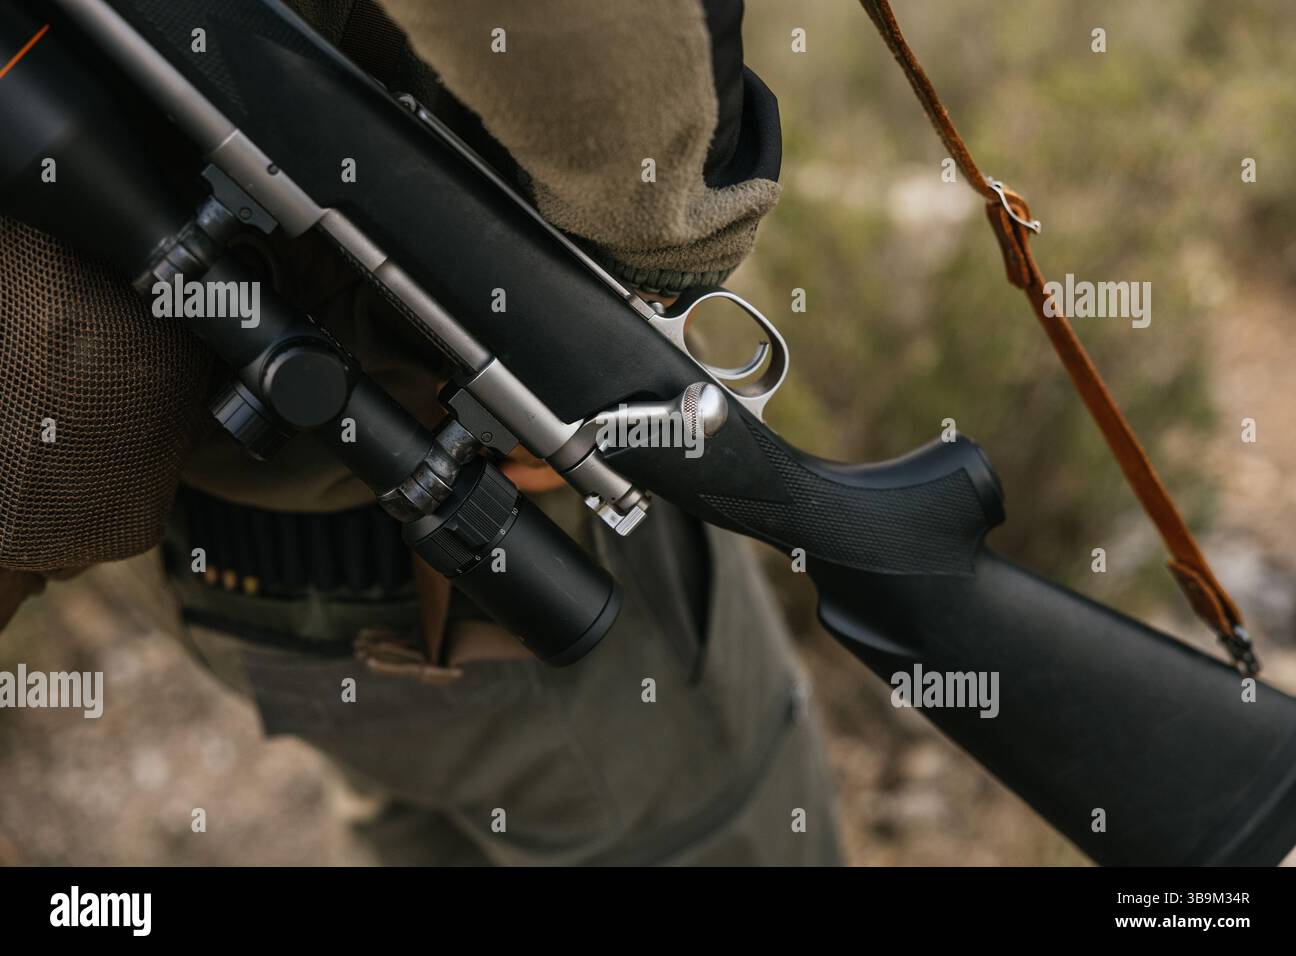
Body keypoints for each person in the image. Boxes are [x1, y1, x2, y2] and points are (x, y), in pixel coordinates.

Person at [0, 0, 841, 865]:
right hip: (518, 558)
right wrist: (612, 326)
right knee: (703, 822)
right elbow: (593, 34)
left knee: (405, 808)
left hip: (199, 561)